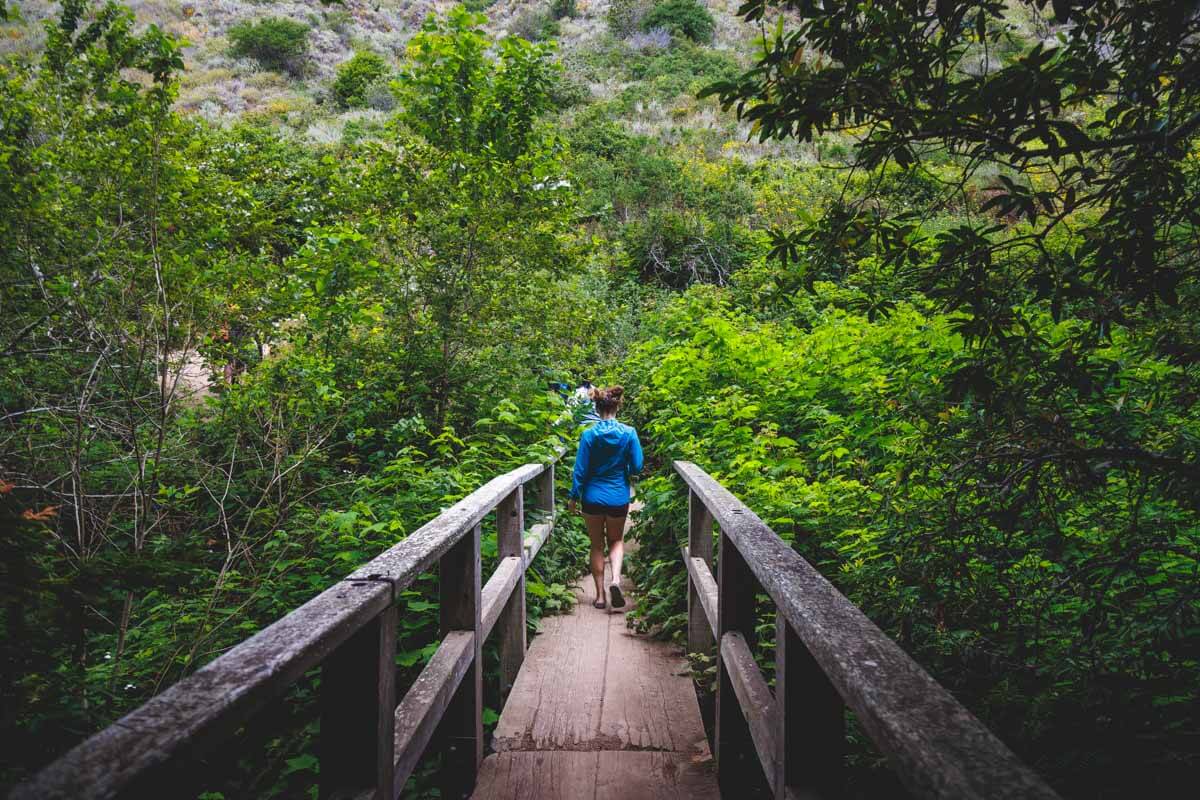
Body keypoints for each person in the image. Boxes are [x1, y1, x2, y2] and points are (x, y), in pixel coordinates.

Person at [567, 386, 643, 609]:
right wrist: (625, 467)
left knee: (596, 545)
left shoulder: (589, 435)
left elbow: (580, 470)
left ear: (597, 407)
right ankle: (616, 580)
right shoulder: (629, 433)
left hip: (592, 497)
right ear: (618, 406)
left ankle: (600, 597)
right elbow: (637, 466)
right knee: (616, 540)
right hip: (618, 496)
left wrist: (573, 497)